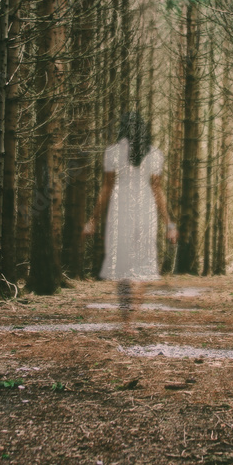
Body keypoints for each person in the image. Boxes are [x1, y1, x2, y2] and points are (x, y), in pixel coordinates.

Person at [83, 112, 178, 331]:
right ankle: (133, 317)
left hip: (121, 208)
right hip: (145, 208)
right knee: (143, 262)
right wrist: (169, 223)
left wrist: (93, 219)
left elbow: (106, 188)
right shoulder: (154, 154)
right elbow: (157, 190)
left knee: (123, 264)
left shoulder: (112, 152)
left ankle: (126, 319)